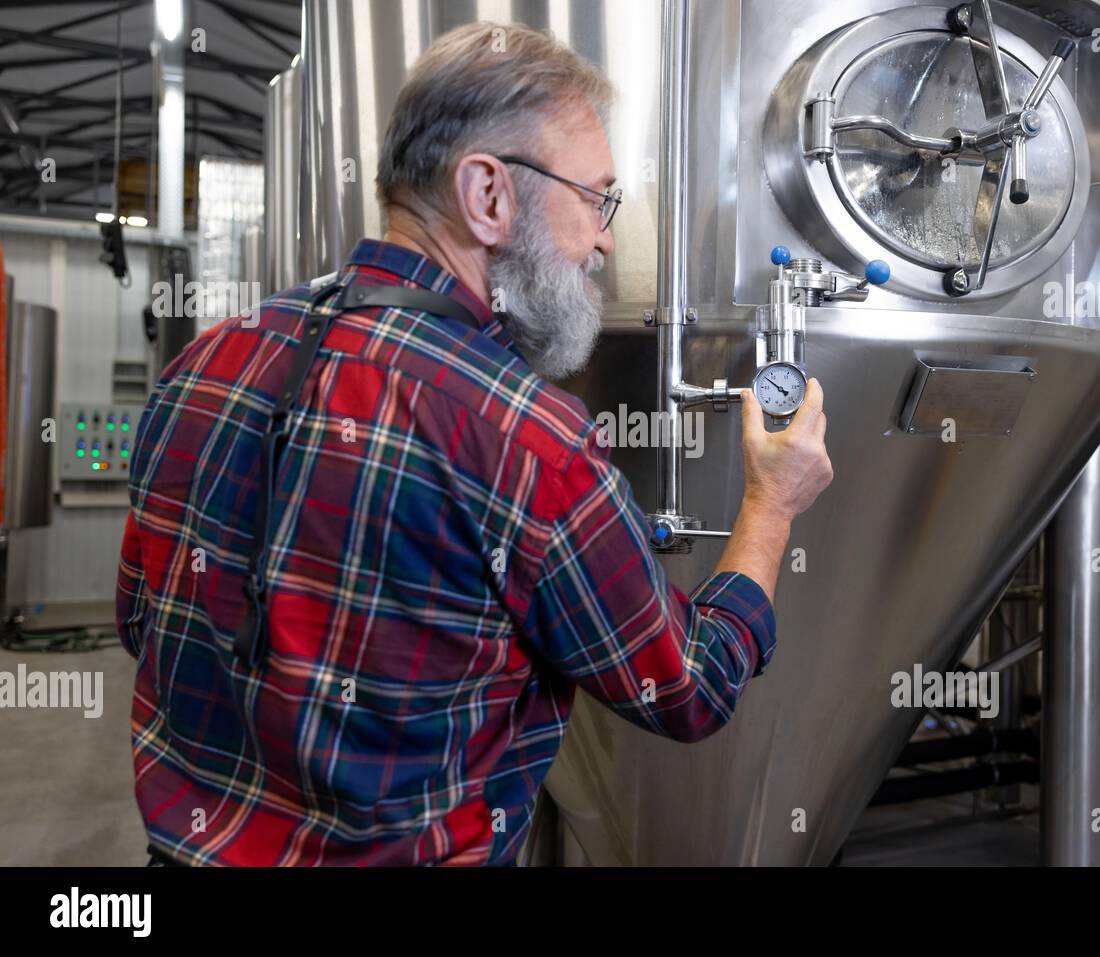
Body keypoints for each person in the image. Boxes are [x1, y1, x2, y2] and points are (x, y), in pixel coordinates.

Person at [116, 21, 832, 866]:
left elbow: (141, 621)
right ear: (488, 195)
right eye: (596, 199)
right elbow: (687, 687)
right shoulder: (528, 438)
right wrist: (770, 506)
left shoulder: (208, 360)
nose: (605, 238)